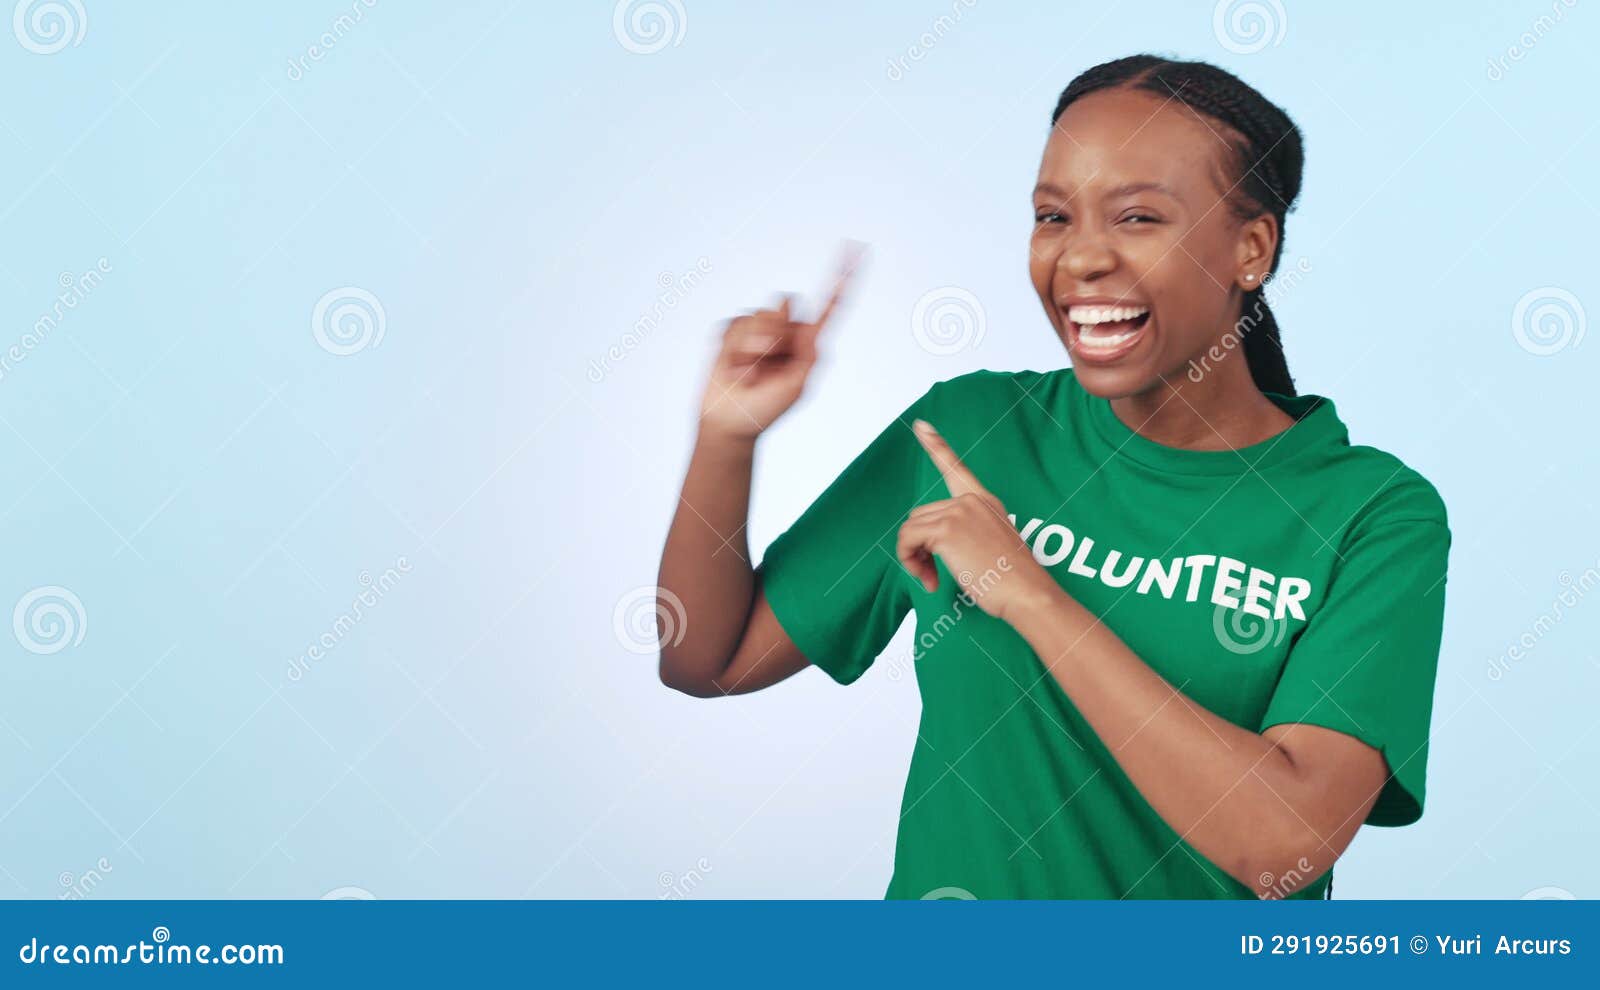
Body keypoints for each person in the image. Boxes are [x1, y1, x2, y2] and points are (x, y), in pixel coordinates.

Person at [654, 54, 1451, 900]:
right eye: (1052, 217)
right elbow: (708, 658)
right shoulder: (972, 431)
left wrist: (1028, 594)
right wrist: (725, 437)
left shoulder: (1373, 514)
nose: (1080, 259)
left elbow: (1283, 845)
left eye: (1138, 217)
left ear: (1251, 249)